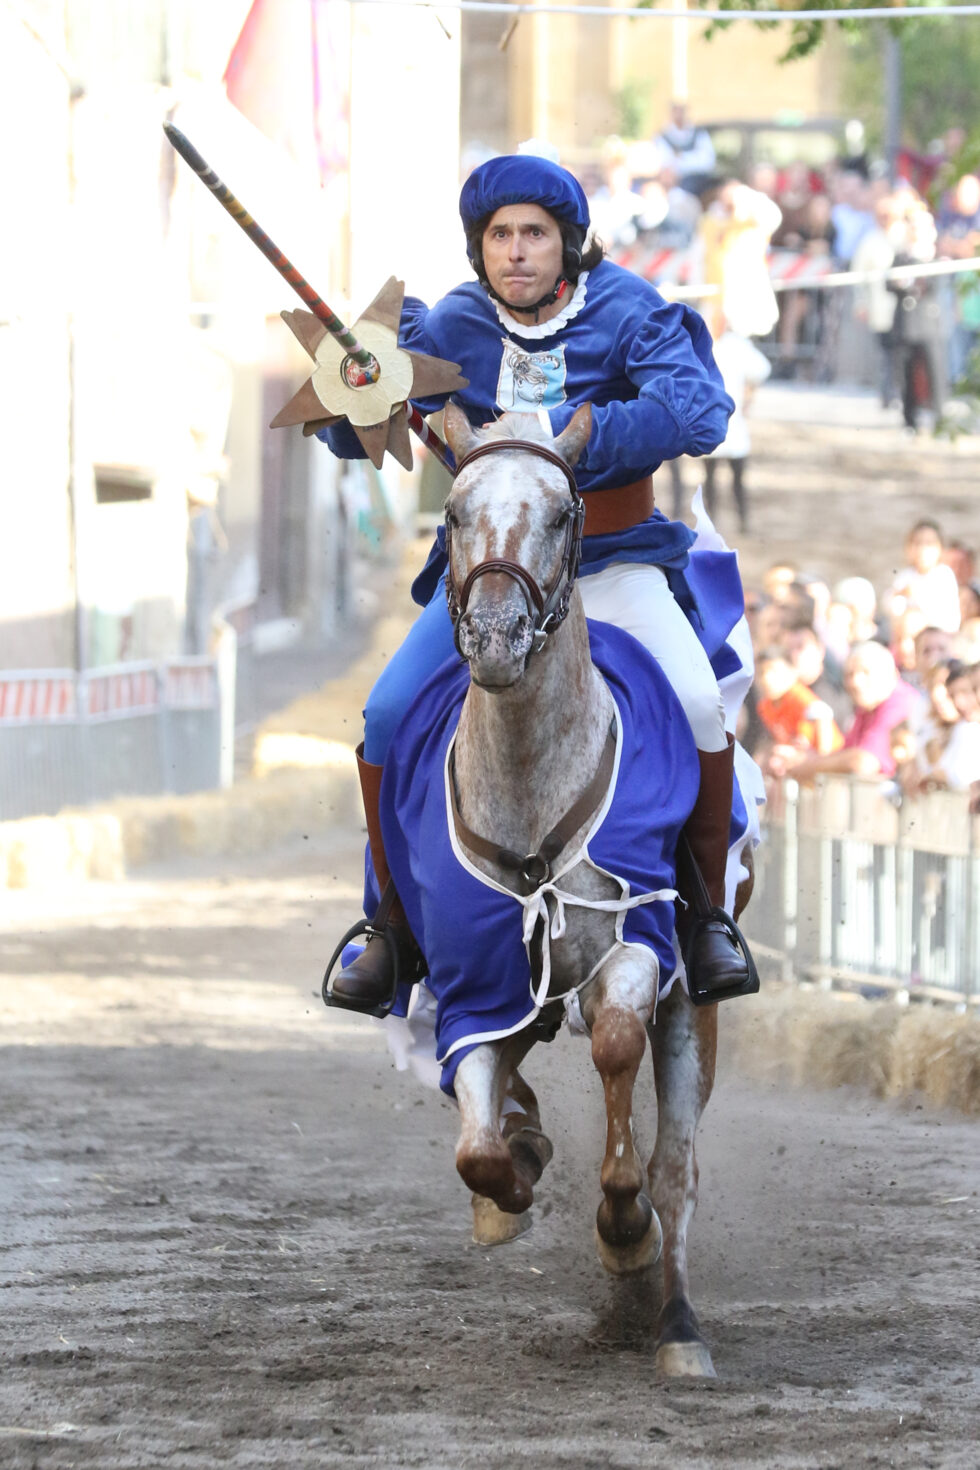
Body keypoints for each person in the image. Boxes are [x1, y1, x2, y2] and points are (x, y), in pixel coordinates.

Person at [318, 151, 754, 1012]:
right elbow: (347, 435)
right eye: (498, 236)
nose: (515, 251)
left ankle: (705, 917)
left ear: (569, 244)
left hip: (613, 563)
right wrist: (356, 385)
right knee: (387, 713)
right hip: (493, 581)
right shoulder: (453, 324)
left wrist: (555, 442)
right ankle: (391, 926)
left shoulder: (629, 310)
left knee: (699, 704)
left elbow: (699, 411)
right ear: (479, 248)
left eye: (534, 234)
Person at [777, 640, 920, 784]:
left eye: (865, 672)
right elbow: (847, 752)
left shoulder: (900, 702)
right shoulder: (868, 706)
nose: (855, 682)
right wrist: (808, 757)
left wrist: (811, 765)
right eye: (849, 675)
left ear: (891, 674)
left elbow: (865, 762)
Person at [699, 319, 770, 533]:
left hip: (731, 422)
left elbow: (761, 370)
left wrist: (750, 394)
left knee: (736, 476)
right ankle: (712, 520)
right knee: (711, 477)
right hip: (711, 420)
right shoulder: (704, 342)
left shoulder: (736, 345)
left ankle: (742, 520)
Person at [883, 519, 961, 635]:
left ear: (940, 548)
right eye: (917, 543)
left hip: (939, 633)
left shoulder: (944, 575)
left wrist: (915, 597)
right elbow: (891, 606)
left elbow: (943, 613)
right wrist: (899, 594)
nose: (922, 549)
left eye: (929, 543)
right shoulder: (905, 576)